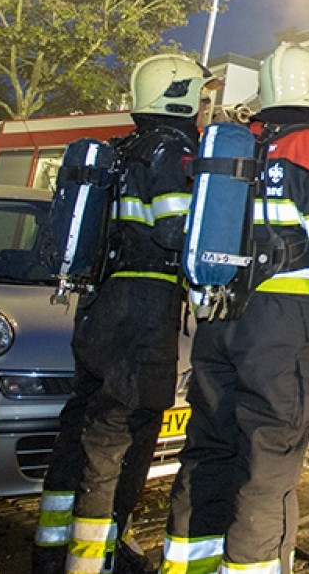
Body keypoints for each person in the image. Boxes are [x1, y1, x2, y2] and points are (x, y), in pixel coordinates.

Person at [161, 42, 309, 574]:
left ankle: (188, 565)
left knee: (208, 452)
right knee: (268, 467)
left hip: (218, 319)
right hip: (279, 334)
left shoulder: (230, 144)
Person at [34, 53, 211, 574]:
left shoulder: (118, 151)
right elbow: (175, 230)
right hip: (144, 310)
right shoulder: (171, 150)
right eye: (201, 97)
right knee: (122, 435)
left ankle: (50, 552)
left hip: (98, 306)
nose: (205, 107)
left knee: (80, 427)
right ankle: (95, 562)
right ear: (180, 97)